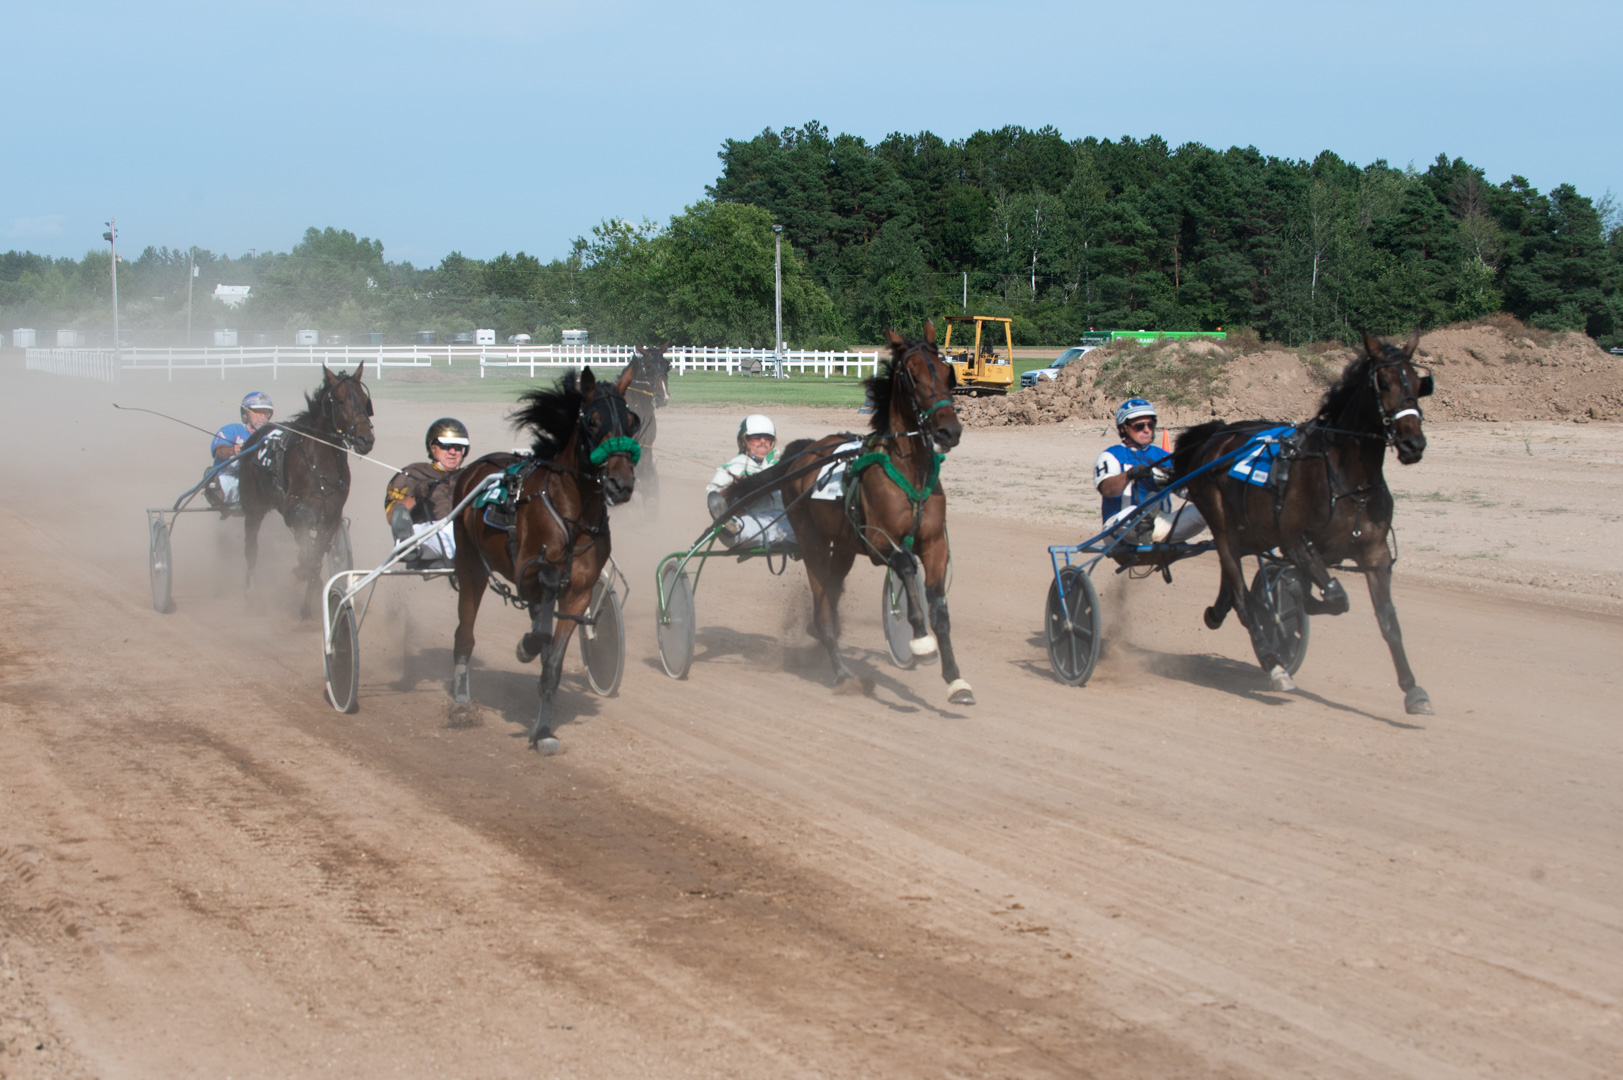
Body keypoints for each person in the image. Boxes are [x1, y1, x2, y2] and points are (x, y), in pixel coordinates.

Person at [1093, 397, 1206, 549]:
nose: (1146, 429)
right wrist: (1129, 475)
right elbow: (1107, 490)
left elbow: (1186, 492)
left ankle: (1232, 531)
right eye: (1139, 426)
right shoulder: (1111, 455)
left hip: (1161, 527)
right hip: (1119, 529)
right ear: (1123, 428)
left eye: (1150, 425)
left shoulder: (1164, 457)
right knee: (1132, 512)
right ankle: (1143, 521)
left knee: (1205, 508)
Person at [385, 418, 470, 565]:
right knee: (451, 529)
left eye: (458, 447)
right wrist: (416, 496)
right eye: (446, 446)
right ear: (432, 448)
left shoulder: (469, 475)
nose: (452, 452)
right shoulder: (414, 472)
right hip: (423, 534)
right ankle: (409, 546)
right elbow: (392, 517)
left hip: (460, 532)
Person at [706, 413, 794, 549]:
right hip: (751, 521)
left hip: (784, 520)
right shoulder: (730, 468)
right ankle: (731, 527)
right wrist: (736, 490)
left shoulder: (784, 465)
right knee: (738, 530)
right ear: (743, 442)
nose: (763, 441)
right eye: (756, 437)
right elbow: (714, 499)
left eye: (767, 437)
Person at [204, 391, 274, 512]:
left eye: (266, 413)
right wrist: (233, 450)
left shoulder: (271, 435)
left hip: (255, 482)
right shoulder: (232, 430)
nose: (263, 417)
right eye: (257, 412)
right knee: (212, 475)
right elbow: (219, 451)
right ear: (245, 415)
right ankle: (215, 495)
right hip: (228, 478)